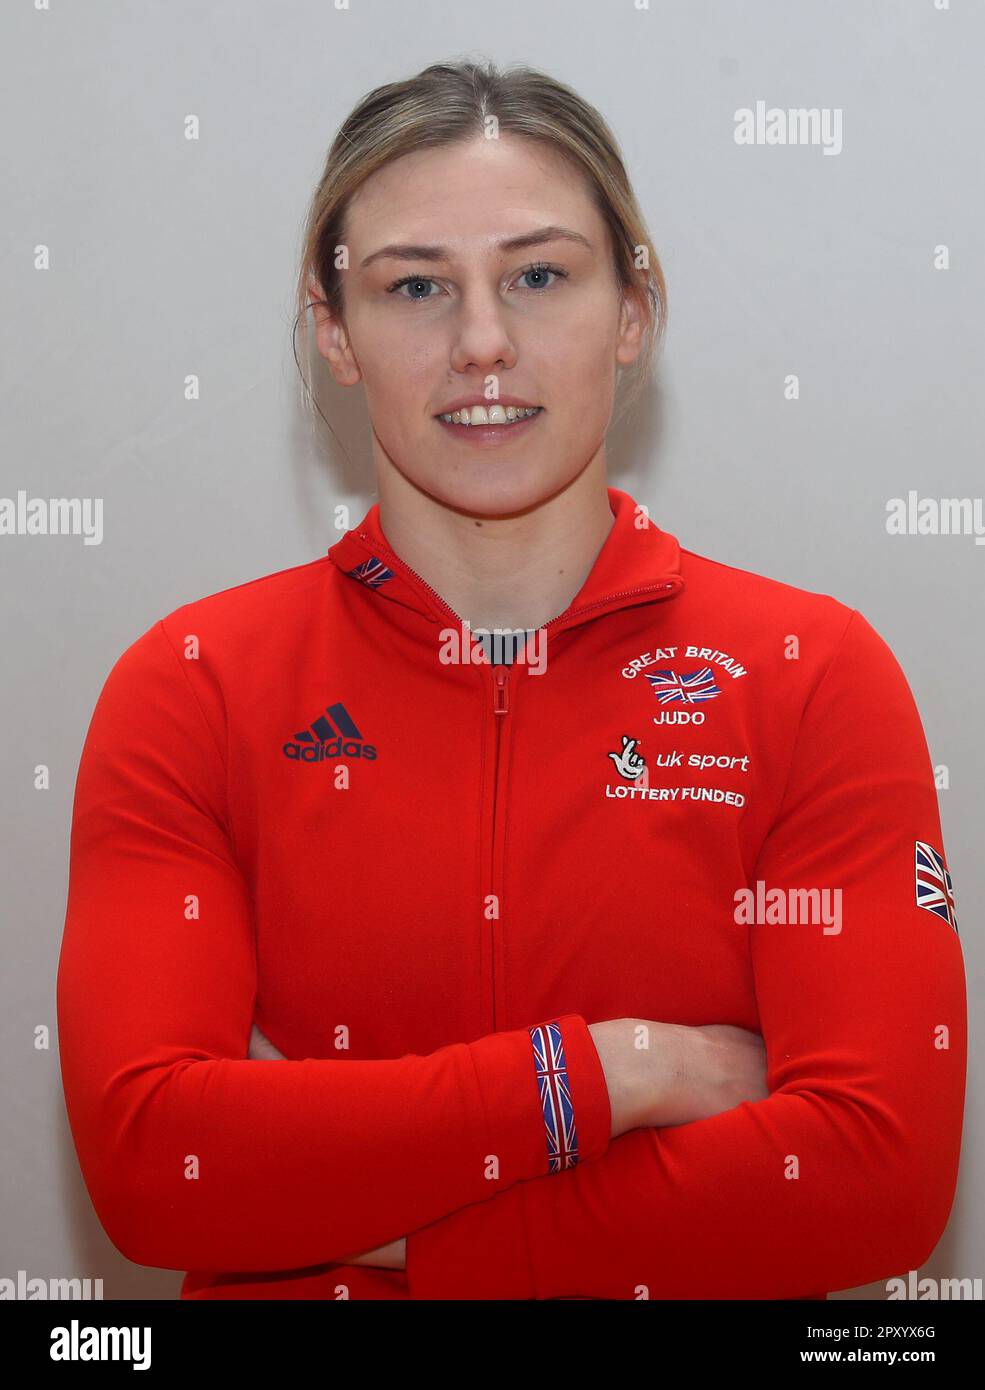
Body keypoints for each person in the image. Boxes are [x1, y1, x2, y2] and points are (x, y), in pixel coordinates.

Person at [56, 60, 966, 1302]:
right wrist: (621, 1071)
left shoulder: (810, 676)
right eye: (415, 286)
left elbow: (874, 1181)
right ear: (335, 331)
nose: (482, 344)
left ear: (632, 310)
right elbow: (160, 1166)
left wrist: (354, 1207)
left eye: (538, 276)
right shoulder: (194, 687)